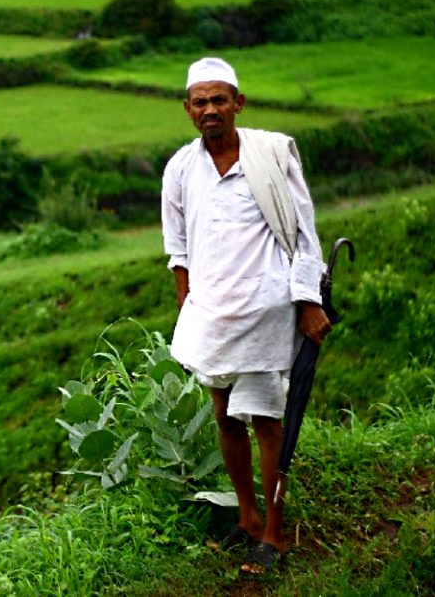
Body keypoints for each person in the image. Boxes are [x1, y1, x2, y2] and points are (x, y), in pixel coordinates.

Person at [160, 57, 332, 575]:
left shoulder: (272, 155)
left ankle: (275, 535)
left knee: (266, 421)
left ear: (239, 103)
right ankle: (249, 519)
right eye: (200, 102)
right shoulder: (180, 168)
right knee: (223, 418)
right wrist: (189, 310)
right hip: (211, 316)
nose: (210, 109)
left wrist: (308, 302)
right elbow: (178, 249)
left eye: (219, 100)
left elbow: (304, 233)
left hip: (265, 310)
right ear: (188, 110)